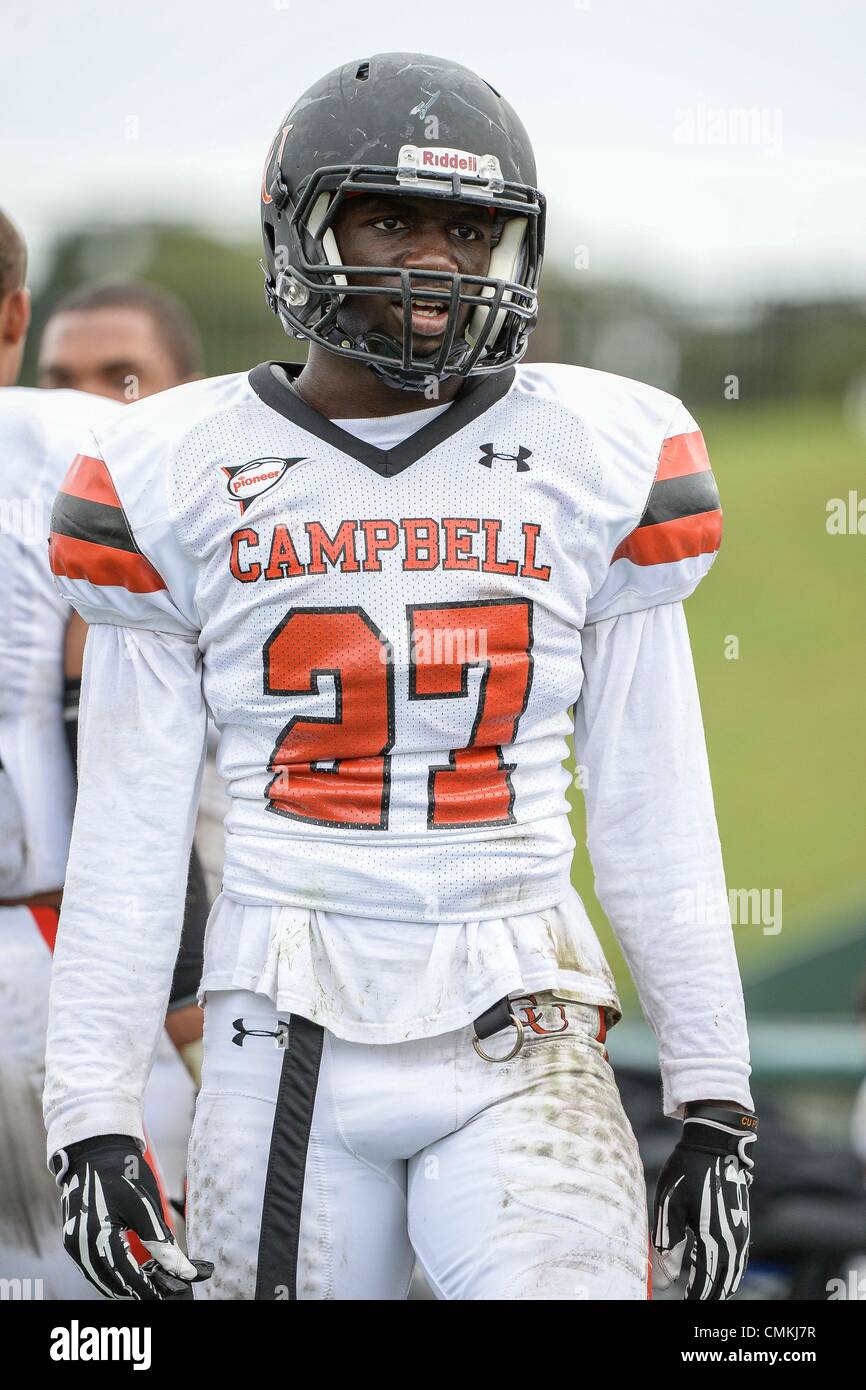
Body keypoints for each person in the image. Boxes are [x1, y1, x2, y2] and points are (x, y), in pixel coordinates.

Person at [44, 52, 757, 1301]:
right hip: (278, 1027)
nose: (433, 258)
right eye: (390, 216)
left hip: (524, 1012)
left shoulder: (597, 448)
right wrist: (91, 1114)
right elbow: (130, 835)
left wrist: (716, 1095)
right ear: (298, 225)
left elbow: (654, 812)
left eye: (468, 227)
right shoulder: (174, 466)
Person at [0, 211, 203, 1296]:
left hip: (94, 951)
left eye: (123, 377)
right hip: (74, 946)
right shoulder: (89, 469)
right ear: (17, 320)